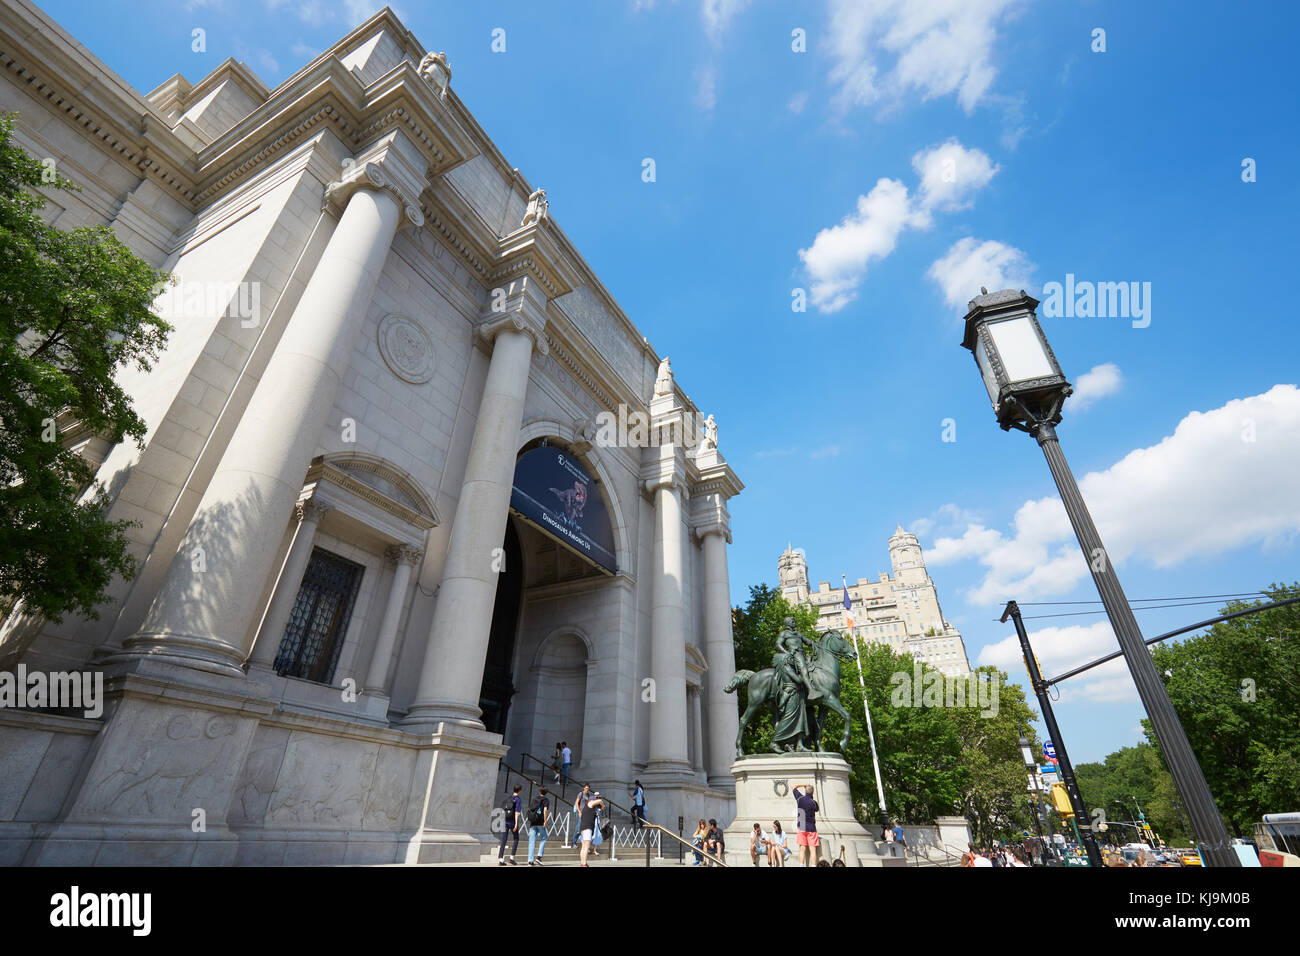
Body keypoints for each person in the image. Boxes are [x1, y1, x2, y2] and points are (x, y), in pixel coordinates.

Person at [793, 782, 820, 866]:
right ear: (813, 792)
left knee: (802, 848)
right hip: (811, 827)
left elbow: (793, 787)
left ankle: (801, 865)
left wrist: (803, 785)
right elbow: (816, 809)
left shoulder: (800, 798)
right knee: (813, 850)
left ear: (805, 791)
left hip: (802, 826)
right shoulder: (814, 803)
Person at [577, 788, 604, 867]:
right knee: (586, 846)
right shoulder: (590, 804)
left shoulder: (589, 808)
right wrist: (602, 806)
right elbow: (600, 801)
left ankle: (583, 863)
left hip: (583, 828)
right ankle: (584, 864)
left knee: (584, 846)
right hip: (587, 828)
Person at [497, 784, 521, 865]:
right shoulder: (517, 799)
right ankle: (512, 858)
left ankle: (500, 859)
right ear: (519, 790)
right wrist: (516, 824)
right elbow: (517, 812)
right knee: (516, 838)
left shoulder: (508, 798)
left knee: (504, 840)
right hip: (512, 822)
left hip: (505, 821)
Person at [526, 786, 549, 865]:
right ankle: (539, 857)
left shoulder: (534, 799)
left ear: (539, 791)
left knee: (531, 841)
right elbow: (545, 810)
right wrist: (545, 820)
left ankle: (530, 860)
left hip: (533, 822)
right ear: (546, 793)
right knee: (543, 838)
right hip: (540, 822)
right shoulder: (545, 800)